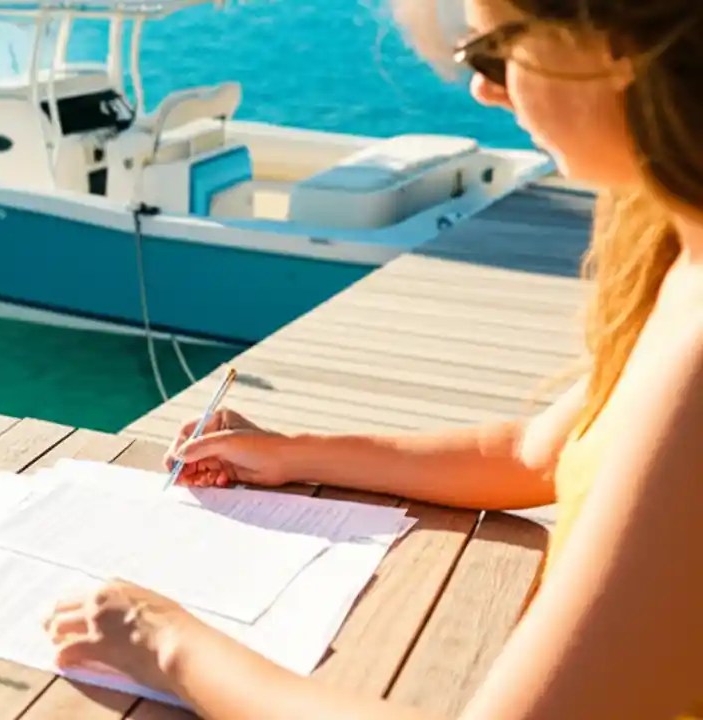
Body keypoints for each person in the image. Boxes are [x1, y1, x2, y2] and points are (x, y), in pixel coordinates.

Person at [42, 0, 703, 716]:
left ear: (617, 41)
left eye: (493, 52)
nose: (485, 88)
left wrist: (166, 644)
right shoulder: (675, 247)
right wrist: (292, 454)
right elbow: (532, 455)